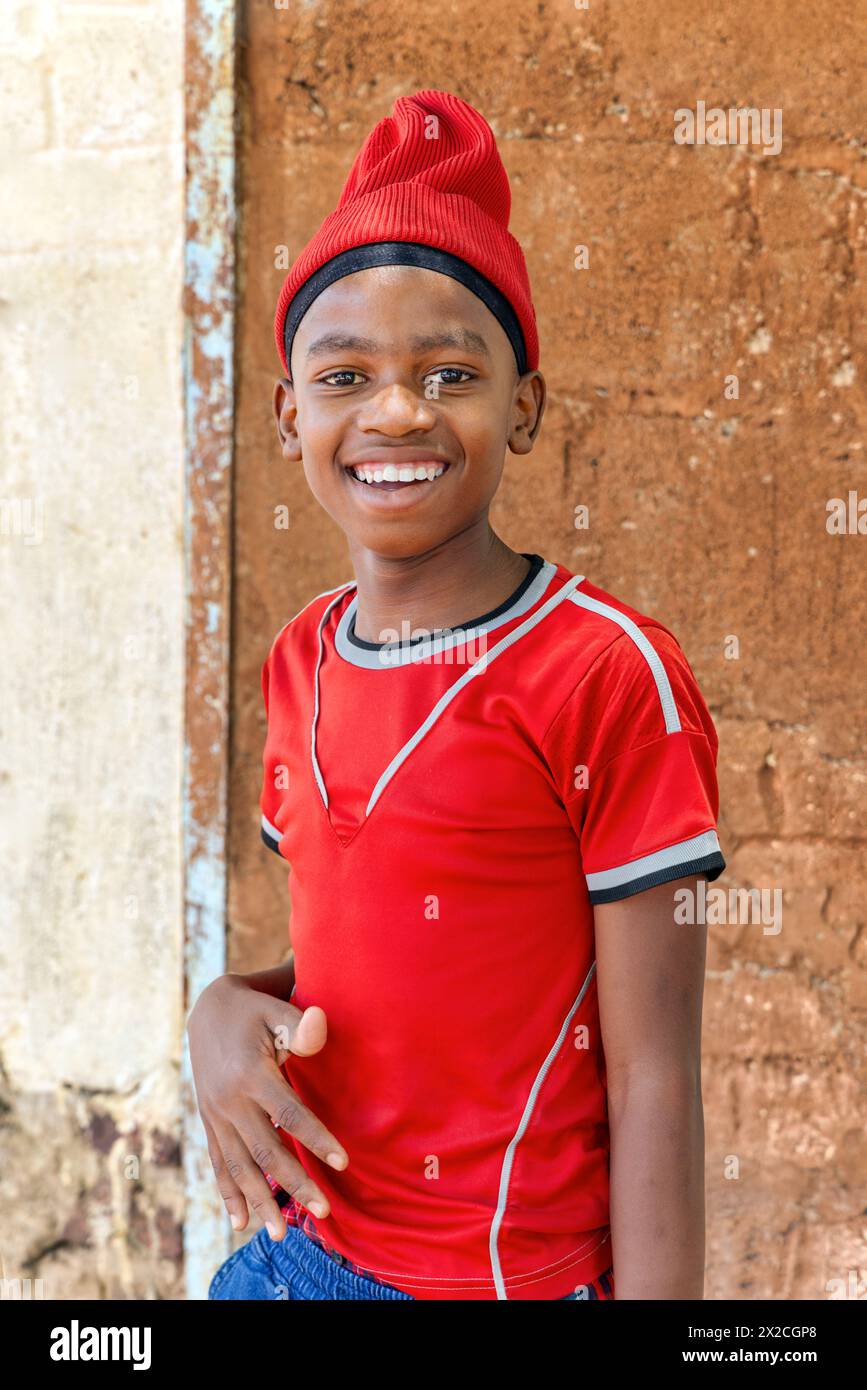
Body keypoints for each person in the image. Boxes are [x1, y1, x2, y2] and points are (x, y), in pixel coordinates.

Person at [188, 88, 725, 1301]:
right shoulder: (300, 659)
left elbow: (654, 1078)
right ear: (290, 416)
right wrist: (223, 1005)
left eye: (449, 372)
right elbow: (365, 958)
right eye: (345, 373)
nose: (395, 410)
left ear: (521, 407)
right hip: (298, 1265)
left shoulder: (604, 674)